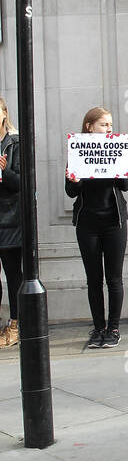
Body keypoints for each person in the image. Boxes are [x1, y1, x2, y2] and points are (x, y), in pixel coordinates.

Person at [66, 107, 128, 350]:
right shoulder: (78, 151)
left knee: (114, 278)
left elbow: (125, 185)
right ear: (89, 126)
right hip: (87, 223)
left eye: (110, 125)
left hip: (114, 221)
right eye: (104, 125)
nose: (109, 129)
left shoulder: (116, 148)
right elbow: (71, 191)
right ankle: (98, 328)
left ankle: (113, 329)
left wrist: (120, 166)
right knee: (94, 279)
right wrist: (74, 180)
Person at [0, 97, 22, 349]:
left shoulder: (16, 143)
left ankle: (16, 323)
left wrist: (4, 172)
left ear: (4, 114)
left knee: (14, 274)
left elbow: (24, 183)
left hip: (11, 219)